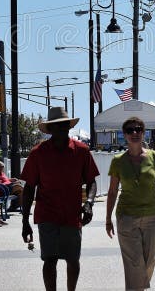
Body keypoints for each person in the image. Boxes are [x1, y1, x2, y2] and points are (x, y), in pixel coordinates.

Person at [20, 107, 99, 291]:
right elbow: (29, 187)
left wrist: (89, 203)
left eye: (65, 125)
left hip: (72, 215)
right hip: (47, 215)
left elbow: (91, 182)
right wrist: (25, 221)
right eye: (58, 126)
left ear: (69, 127)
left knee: (73, 260)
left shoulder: (81, 151)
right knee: (50, 260)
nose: (62, 129)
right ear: (50, 129)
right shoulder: (38, 153)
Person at [105, 116, 155, 291]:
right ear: (125, 135)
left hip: (151, 217)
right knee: (134, 263)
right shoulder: (118, 161)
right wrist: (108, 219)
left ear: (143, 133)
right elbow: (112, 192)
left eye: (138, 130)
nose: (134, 133)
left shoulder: (154, 157)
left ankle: (136, 287)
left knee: (150, 261)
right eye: (130, 130)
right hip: (126, 218)